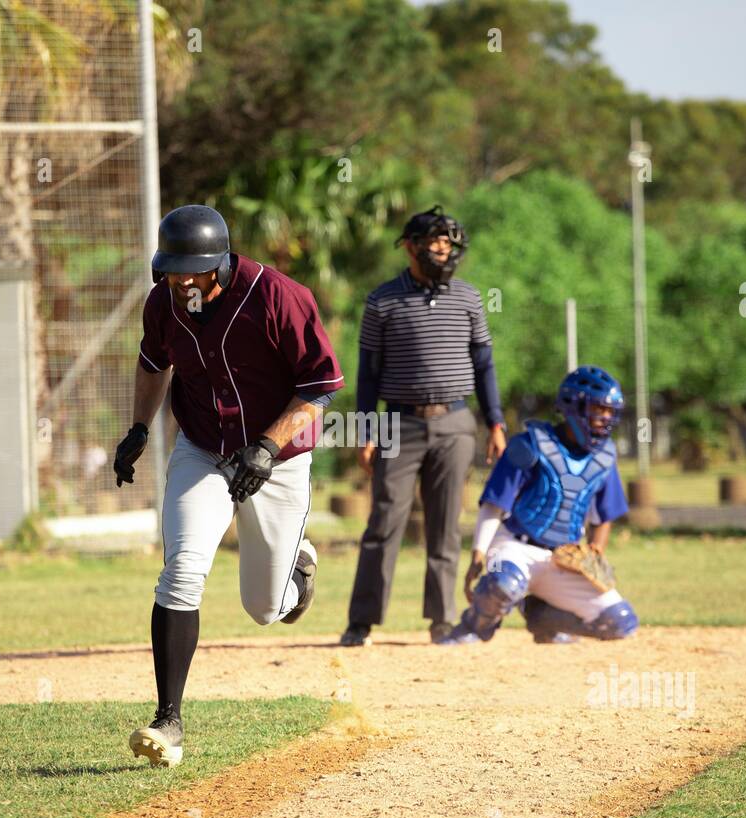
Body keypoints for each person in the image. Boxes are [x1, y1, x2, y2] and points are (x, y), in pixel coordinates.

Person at [113, 204, 343, 766]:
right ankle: (169, 721)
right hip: (203, 449)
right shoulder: (164, 302)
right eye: (172, 270)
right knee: (182, 571)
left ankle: (297, 573)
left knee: (265, 608)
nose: (182, 281)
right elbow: (153, 363)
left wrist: (266, 446)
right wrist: (140, 429)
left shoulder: (277, 296)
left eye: (193, 270)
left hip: (278, 457)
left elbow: (320, 385)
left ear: (220, 263)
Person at [341, 205, 507, 647]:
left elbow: (485, 365)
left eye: (448, 241)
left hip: (455, 422)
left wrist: (496, 423)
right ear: (411, 247)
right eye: (434, 240)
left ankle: (442, 620)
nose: (442, 248)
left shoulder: (470, 298)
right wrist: (366, 430)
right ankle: (362, 622)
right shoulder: (382, 300)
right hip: (397, 421)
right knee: (383, 522)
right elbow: (368, 374)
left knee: (445, 525)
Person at [436, 365, 639, 646]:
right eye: (598, 409)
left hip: (560, 560)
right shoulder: (530, 444)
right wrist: (479, 554)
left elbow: (604, 515)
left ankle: (544, 618)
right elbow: (495, 503)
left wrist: (595, 553)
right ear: (574, 407)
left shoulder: (604, 457)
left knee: (620, 621)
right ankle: (472, 628)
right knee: (502, 584)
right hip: (513, 548)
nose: (605, 418)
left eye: (609, 412)